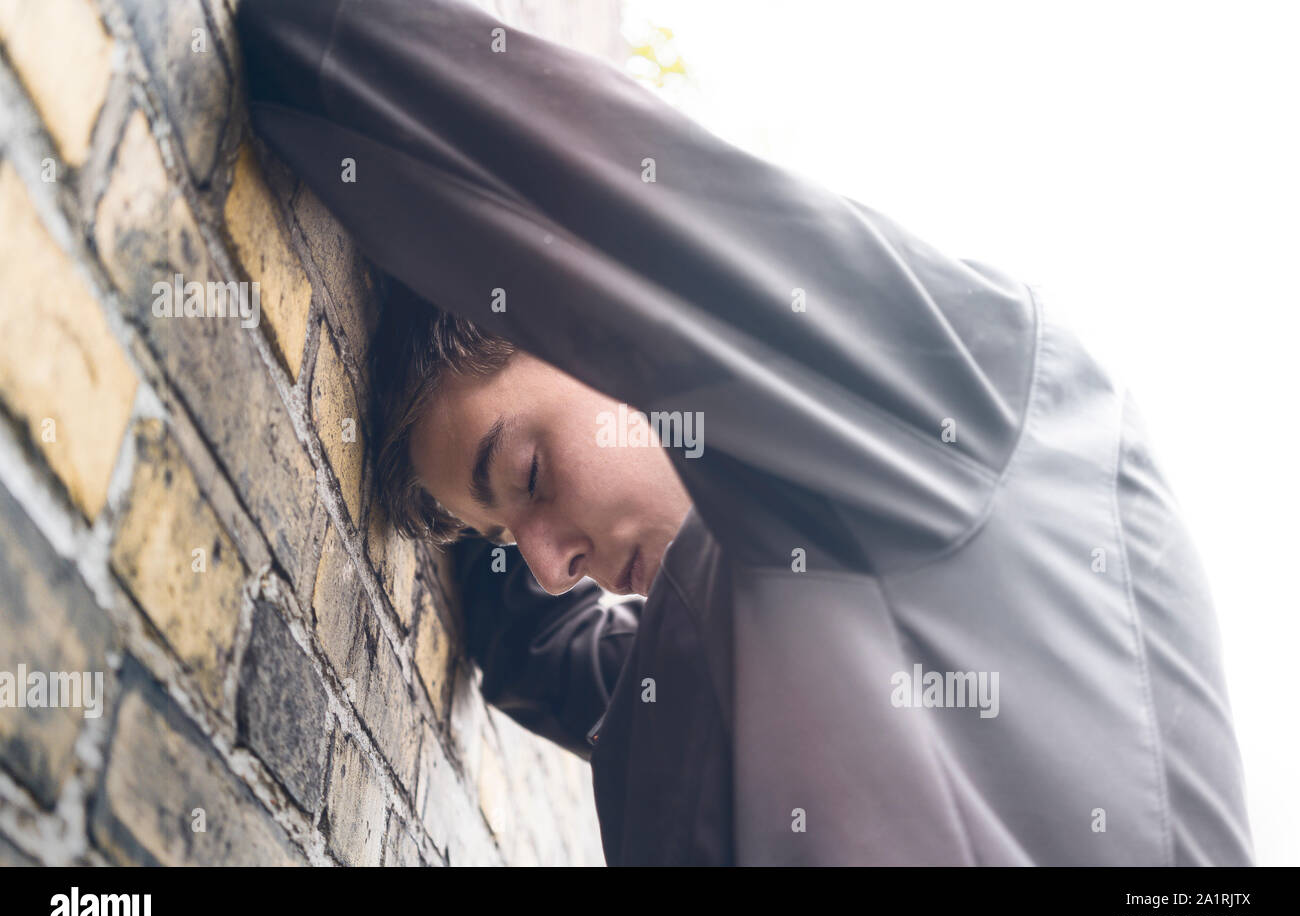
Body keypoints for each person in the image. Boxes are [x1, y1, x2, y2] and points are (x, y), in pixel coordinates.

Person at [237, 0, 1255, 865]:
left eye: (532, 473)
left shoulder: (970, 418)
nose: (546, 569)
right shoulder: (705, 669)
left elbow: (567, 171)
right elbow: (532, 644)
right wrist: (496, 503)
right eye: (504, 536)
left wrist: (319, 68)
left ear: (583, 322)